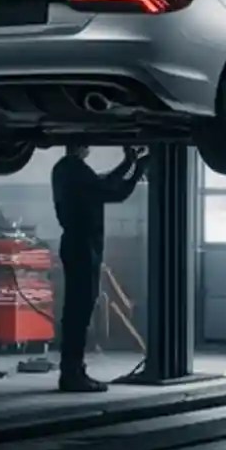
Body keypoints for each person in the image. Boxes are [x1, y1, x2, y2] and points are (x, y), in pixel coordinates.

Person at [51, 143, 149, 392]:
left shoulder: (65, 169)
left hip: (75, 244)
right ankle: (72, 374)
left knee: (76, 311)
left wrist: (129, 163)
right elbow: (113, 192)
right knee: (80, 313)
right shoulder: (75, 170)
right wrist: (138, 169)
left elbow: (101, 184)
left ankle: (73, 370)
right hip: (84, 246)